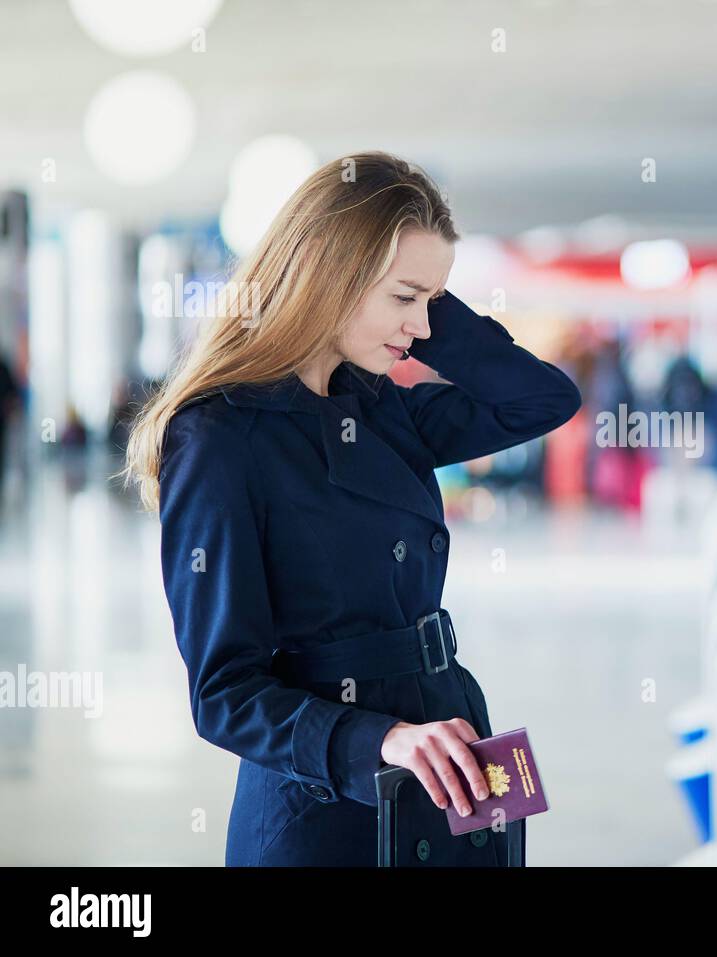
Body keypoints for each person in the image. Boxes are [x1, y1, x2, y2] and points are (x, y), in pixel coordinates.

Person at [118, 151, 582, 866]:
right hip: (330, 793)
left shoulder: (382, 406)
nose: (423, 328)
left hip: (450, 739)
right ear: (328, 277)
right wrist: (381, 740)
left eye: (433, 301)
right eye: (405, 299)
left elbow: (543, 398)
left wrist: (423, 293)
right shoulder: (219, 435)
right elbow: (224, 692)